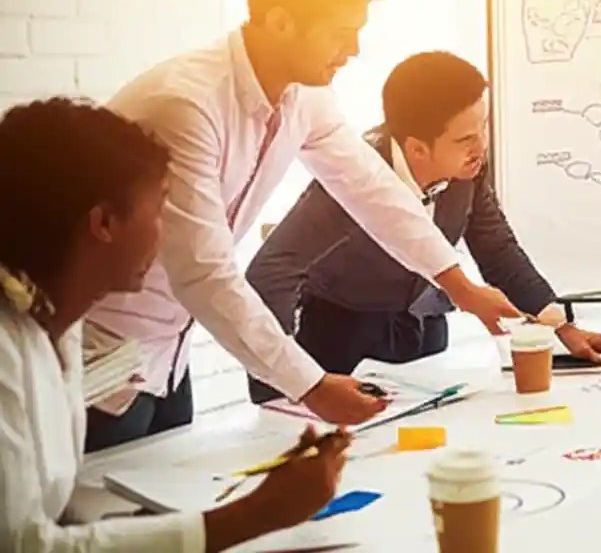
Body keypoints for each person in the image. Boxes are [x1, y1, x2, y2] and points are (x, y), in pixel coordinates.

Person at [83, 0, 526, 452]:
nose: (355, 49)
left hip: (168, 358)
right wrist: (309, 384)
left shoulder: (303, 97)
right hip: (99, 361)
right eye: (341, 32)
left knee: (167, 513)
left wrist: (462, 288)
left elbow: (374, 191)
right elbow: (206, 273)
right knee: (91, 523)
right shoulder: (187, 107)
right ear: (280, 21)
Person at [0, 97, 352, 552]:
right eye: (160, 207)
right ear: (104, 222)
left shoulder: (58, 325)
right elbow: (25, 546)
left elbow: (46, 514)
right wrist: (253, 515)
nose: (166, 230)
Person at [243, 52, 601, 403]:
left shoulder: (467, 170)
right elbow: (271, 270)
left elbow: (499, 253)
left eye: (483, 127)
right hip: (341, 341)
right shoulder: (351, 175)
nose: (481, 147)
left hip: (426, 337)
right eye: (466, 137)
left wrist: (564, 329)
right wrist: (283, 388)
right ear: (417, 148)